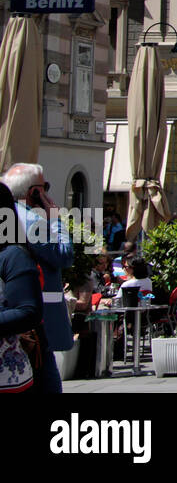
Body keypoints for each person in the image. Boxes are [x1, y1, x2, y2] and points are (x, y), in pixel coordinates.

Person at [2, 163, 72, 392]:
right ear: (34, 191)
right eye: (45, 187)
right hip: (35, 324)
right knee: (46, 379)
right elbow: (64, 255)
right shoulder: (34, 222)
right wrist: (56, 220)